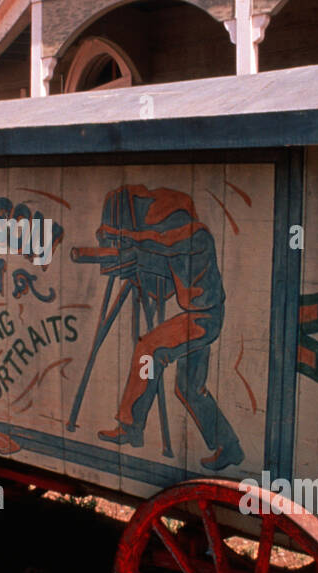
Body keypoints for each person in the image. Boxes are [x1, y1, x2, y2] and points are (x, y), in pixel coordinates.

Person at [88, 185, 243, 470]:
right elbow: (162, 263)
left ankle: (130, 425)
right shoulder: (182, 240)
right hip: (200, 316)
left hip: (202, 319)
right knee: (189, 389)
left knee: (148, 350)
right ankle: (229, 447)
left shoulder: (196, 234)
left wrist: (124, 236)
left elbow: (160, 241)